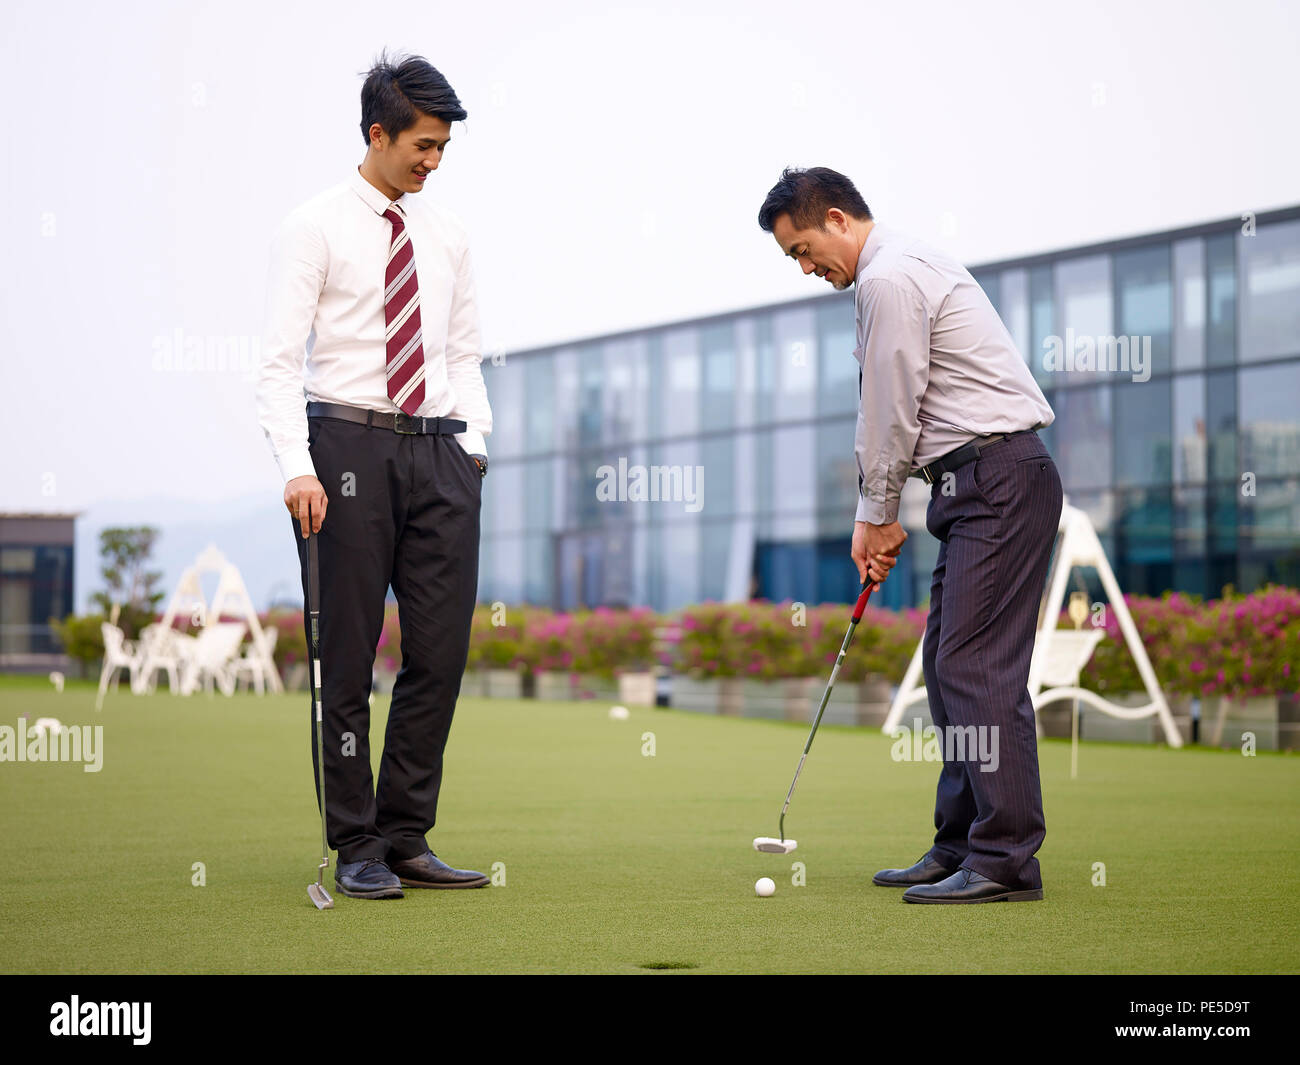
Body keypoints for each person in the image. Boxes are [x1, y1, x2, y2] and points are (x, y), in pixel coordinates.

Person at [758, 167, 1063, 903]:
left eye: (803, 249)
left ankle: (1006, 860)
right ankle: (960, 844)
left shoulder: (889, 277)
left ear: (837, 219)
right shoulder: (888, 273)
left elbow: (892, 406)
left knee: (974, 665)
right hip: (975, 484)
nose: (805, 268)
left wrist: (877, 513)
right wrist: (880, 512)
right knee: (948, 661)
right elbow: (888, 410)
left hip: (998, 478)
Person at [257, 51, 492, 900]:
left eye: (443, 148)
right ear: (377, 132)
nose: (434, 161)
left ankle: (404, 836)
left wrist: (475, 450)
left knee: (440, 654)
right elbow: (279, 363)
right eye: (423, 145)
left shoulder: (450, 233)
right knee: (348, 658)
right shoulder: (312, 226)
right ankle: (356, 842)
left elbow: (462, 353)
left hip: (442, 454)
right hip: (345, 451)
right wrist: (297, 466)